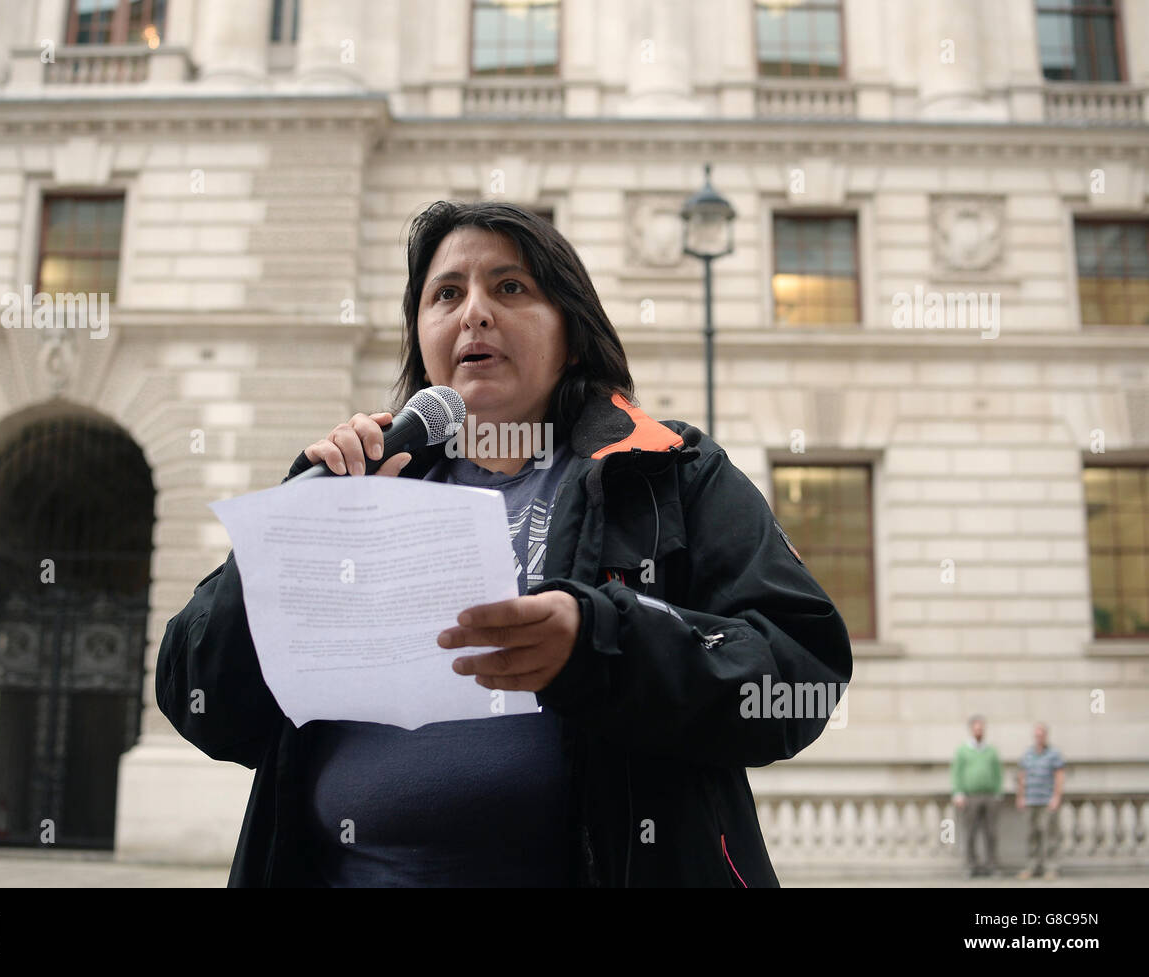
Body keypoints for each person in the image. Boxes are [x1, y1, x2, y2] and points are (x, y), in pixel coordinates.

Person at [156, 200, 853, 886]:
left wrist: (602, 642)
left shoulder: (669, 469)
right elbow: (201, 703)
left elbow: (801, 667)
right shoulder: (350, 491)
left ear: (573, 334)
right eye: (447, 294)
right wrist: (294, 522)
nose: (474, 312)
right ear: (423, 339)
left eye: (510, 287)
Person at [951, 714, 1003, 878]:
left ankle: (992, 865)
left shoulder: (991, 750)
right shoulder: (963, 750)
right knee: (970, 833)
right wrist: (958, 792)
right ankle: (970, 865)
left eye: (981, 728)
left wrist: (997, 792)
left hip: (989, 796)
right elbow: (956, 773)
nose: (979, 731)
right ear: (971, 730)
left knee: (991, 833)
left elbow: (998, 773)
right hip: (970, 797)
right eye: (976, 729)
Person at [1016, 722, 1065, 881]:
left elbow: (1059, 776)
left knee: (1050, 836)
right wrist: (1021, 797)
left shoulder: (1054, 754)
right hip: (1030, 801)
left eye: (1041, 735)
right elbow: (1022, 777)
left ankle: (1051, 868)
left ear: (1046, 736)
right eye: (1036, 735)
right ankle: (1032, 867)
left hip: (1047, 801)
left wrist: (1056, 797)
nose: (1039, 738)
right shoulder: (1027, 754)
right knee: (1032, 836)